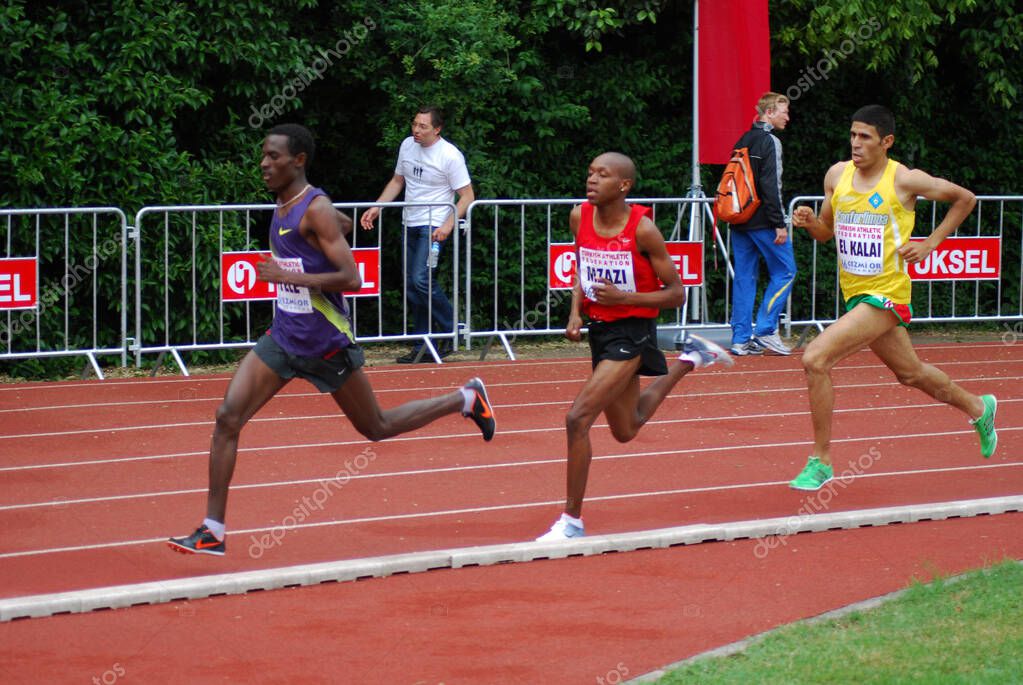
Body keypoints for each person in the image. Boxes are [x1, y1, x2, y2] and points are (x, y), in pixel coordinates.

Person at [169, 124, 495, 555]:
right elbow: (339, 222)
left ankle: (465, 399)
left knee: (376, 427)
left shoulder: (313, 207)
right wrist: (336, 225)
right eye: (264, 156)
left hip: (326, 343)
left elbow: (352, 277)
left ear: (298, 160)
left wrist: (288, 274)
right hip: (284, 338)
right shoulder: (288, 202)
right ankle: (213, 530)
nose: (264, 164)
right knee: (228, 417)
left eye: (274, 157)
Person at [789, 105, 997, 491]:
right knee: (911, 373)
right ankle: (979, 408)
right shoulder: (837, 175)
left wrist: (931, 242)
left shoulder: (905, 180)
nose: (855, 144)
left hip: (887, 295)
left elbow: (964, 198)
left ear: (886, 142)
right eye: (852, 135)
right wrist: (808, 222)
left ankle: (821, 461)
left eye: (865, 137)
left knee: (815, 358)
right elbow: (825, 232)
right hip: (855, 295)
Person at [536, 152, 734, 541]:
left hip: (633, 332)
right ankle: (691, 358)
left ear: (623, 186)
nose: (591, 179)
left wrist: (626, 296)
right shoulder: (580, 216)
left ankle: (571, 521)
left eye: (602, 175)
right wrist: (575, 311)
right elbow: (582, 266)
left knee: (577, 419)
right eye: (590, 171)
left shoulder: (643, 230)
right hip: (600, 330)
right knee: (626, 429)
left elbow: (676, 294)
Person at [360, 106, 475, 364]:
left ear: (437, 129)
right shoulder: (407, 146)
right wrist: (377, 206)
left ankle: (450, 329)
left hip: (432, 225)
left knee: (422, 280)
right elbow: (397, 181)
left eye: (423, 126)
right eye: (414, 124)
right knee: (413, 287)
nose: (416, 130)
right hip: (409, 222)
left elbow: (467, 196)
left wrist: (447, 225)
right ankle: (423, 344)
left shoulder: (450, 155)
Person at [726, 92, 797, 356]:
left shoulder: (743, 139)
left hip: (739, 218)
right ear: (769, 113)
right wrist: (779, 223)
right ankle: (766, 330)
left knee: (745, 277)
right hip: (763, 220)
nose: (787, 117)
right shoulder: (770, 141)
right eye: (784, 111)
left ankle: (740, 338)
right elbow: (771, 186)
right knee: (786, 271)